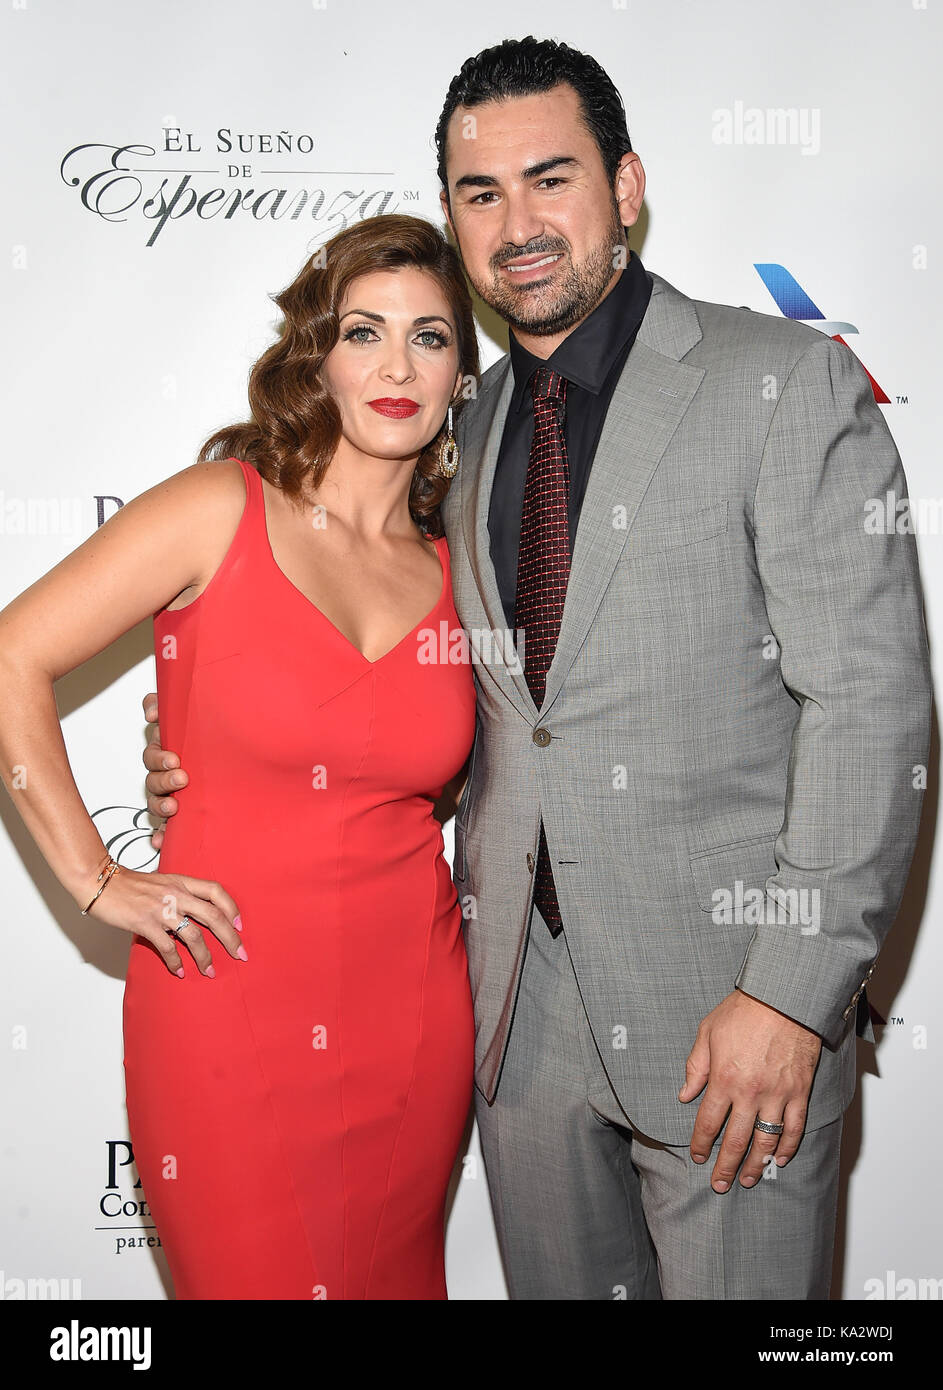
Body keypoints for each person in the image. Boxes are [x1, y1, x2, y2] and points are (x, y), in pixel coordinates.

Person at [143, 37, 931, 1300]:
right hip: (516, 1027)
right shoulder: (461, 427)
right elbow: (417, 683)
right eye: (480, 192)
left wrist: (788, 1000)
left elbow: (869, 710)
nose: (518, 224)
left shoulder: (782, 384)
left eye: (550, 179)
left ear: (625, 187)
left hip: (729, 1020)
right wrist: (211, 736)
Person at [0, 213, 481, 1299]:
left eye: (432, 337)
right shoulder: (220, 508)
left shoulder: (468, 572)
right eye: (365, 332)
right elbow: (12, 657)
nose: (397, 365)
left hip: (414, 1010)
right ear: (320, 353)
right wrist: (96, 877)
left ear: (462, 375)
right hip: (225, 995)